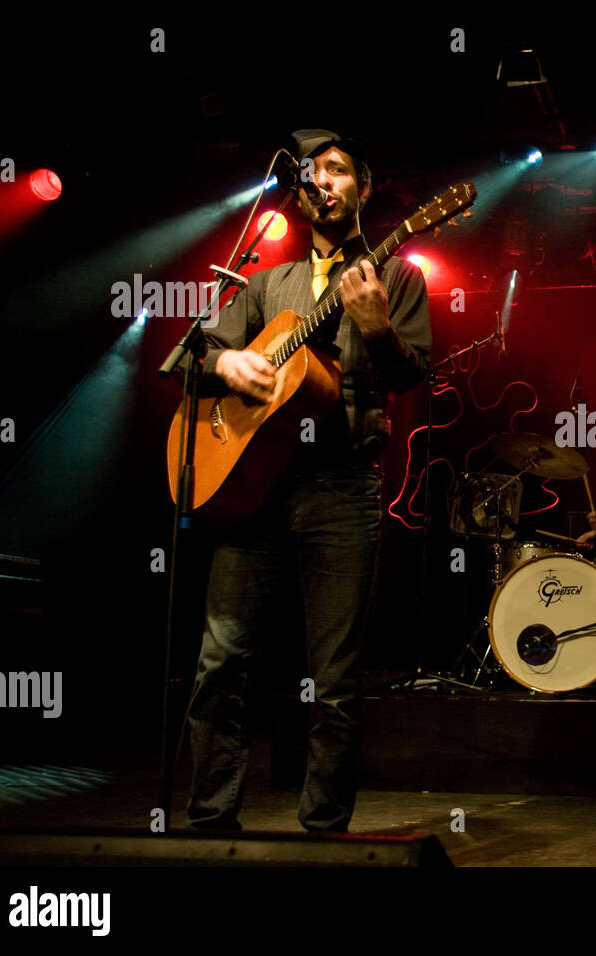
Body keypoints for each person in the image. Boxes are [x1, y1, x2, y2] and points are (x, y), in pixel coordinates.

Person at [184, 129, 431, 831]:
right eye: (312, 172)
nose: (322, 180)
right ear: (296, 193)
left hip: (342, 489)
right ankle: (209, 823)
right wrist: (226, 366)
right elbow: (191, 364)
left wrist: (377, 330)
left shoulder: (398, 276)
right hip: (253, 488)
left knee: (335, 681)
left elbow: (414, 376)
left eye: (338, 169)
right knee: (220, 661)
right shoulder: (264, 283)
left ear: (365, 189)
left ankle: (322, 830)